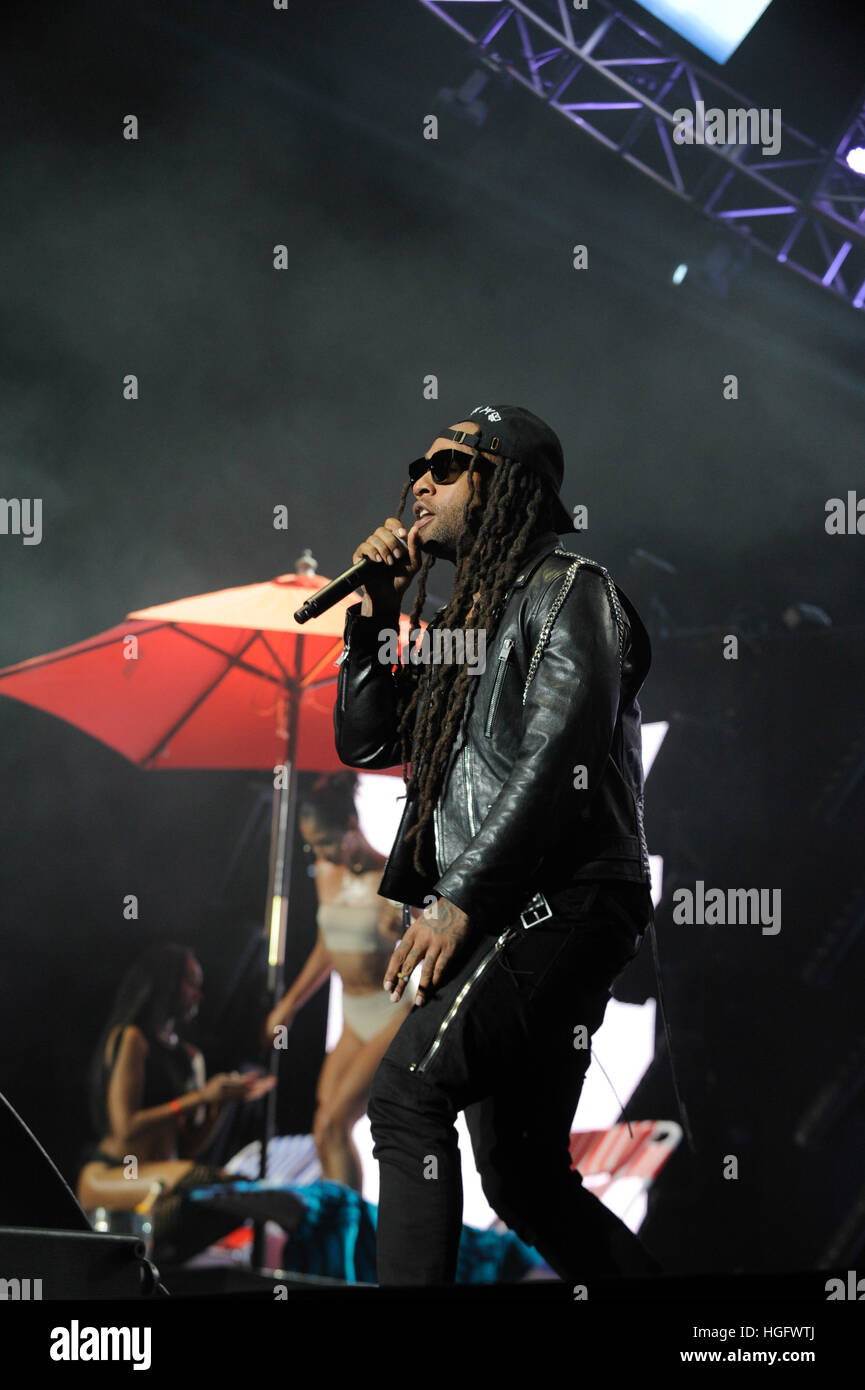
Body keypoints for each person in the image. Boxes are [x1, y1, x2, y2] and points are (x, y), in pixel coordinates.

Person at [334, 403, 662, 1286]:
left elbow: (559, 762)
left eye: (446, 466)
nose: (420, 483)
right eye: (417, 467)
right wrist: (375, 616)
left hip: (560, 898)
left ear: (504, 484)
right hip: (508, 903)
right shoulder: (464, 619)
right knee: (521, 1177)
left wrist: (459, 899)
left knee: (408, 1094)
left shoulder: (570, 591)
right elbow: (366, 742)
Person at [264, 772, 417, 1191]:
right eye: (312, 846)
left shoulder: (393, 879)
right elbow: (326, 945)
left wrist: (404, 929)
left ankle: (350, 1222)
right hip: (352, 1014)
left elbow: (429, 943)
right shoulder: (327, 874)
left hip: (391, 1012)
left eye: (326, 842)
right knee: (322, 1125)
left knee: (335, 1121)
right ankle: (340, 1213)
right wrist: (290, 1004)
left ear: (351, 825)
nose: (321, 854)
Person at [77, 944, 278, 1263]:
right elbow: (125, 1126)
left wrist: (222, 1102)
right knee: (205, 1182)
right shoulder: (133, 1038)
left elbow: (191, 1147)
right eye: (191, 984)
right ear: (165, 983)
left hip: (165, 1179)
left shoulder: (189, 1056)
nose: (199, 995)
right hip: (117, 1175)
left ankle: (157, 1268)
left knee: (237, 1196)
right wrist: (201, 1097)